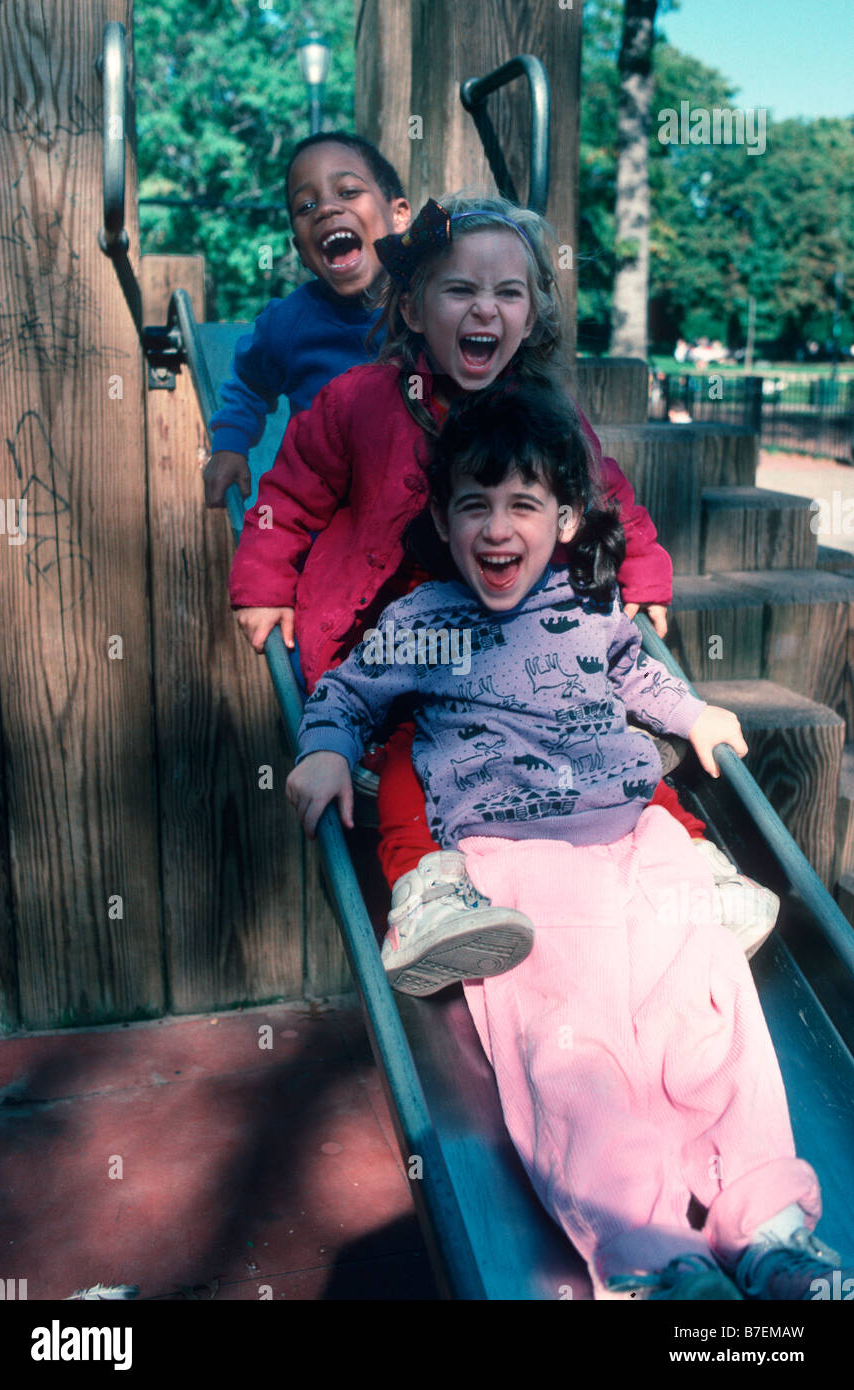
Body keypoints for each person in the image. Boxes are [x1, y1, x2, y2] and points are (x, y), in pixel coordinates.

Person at [285, 380, 848, 1301]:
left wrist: (697, 714)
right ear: (442, 515)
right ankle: (649, 1253)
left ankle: (769, 1229)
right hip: (515, 858)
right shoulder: (428, 624)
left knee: (712, 1011)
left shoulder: (591, 612)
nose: (497, 528)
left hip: (639, 841)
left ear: (569, 518)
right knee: (570, 1046)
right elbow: (349, 692)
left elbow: (640, 679)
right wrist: (322, 751)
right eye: (474, 504)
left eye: (522, 505)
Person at [229, 193, 777, 994]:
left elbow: (603, 494)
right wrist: (262, 582)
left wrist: (641, 571)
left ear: (528, 316)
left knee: (612, 746)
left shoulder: (543, 417)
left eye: (507, 293)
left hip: (523, 630)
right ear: (413, 307)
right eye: (459, 291)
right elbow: (293, 490)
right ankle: (429, 897)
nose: (483, 308)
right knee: (414, 756)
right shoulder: (357, 402)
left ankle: (698, 867)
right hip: (406, 641)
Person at [202, 132, 411, 507]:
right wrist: (230, 445)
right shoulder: (289, 324)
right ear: (300, 250)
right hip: (325, 523)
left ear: (398, 216)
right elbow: (249, 384)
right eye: (306, 206)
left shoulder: (436, 307)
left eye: (348, 192)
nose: (326, 209)